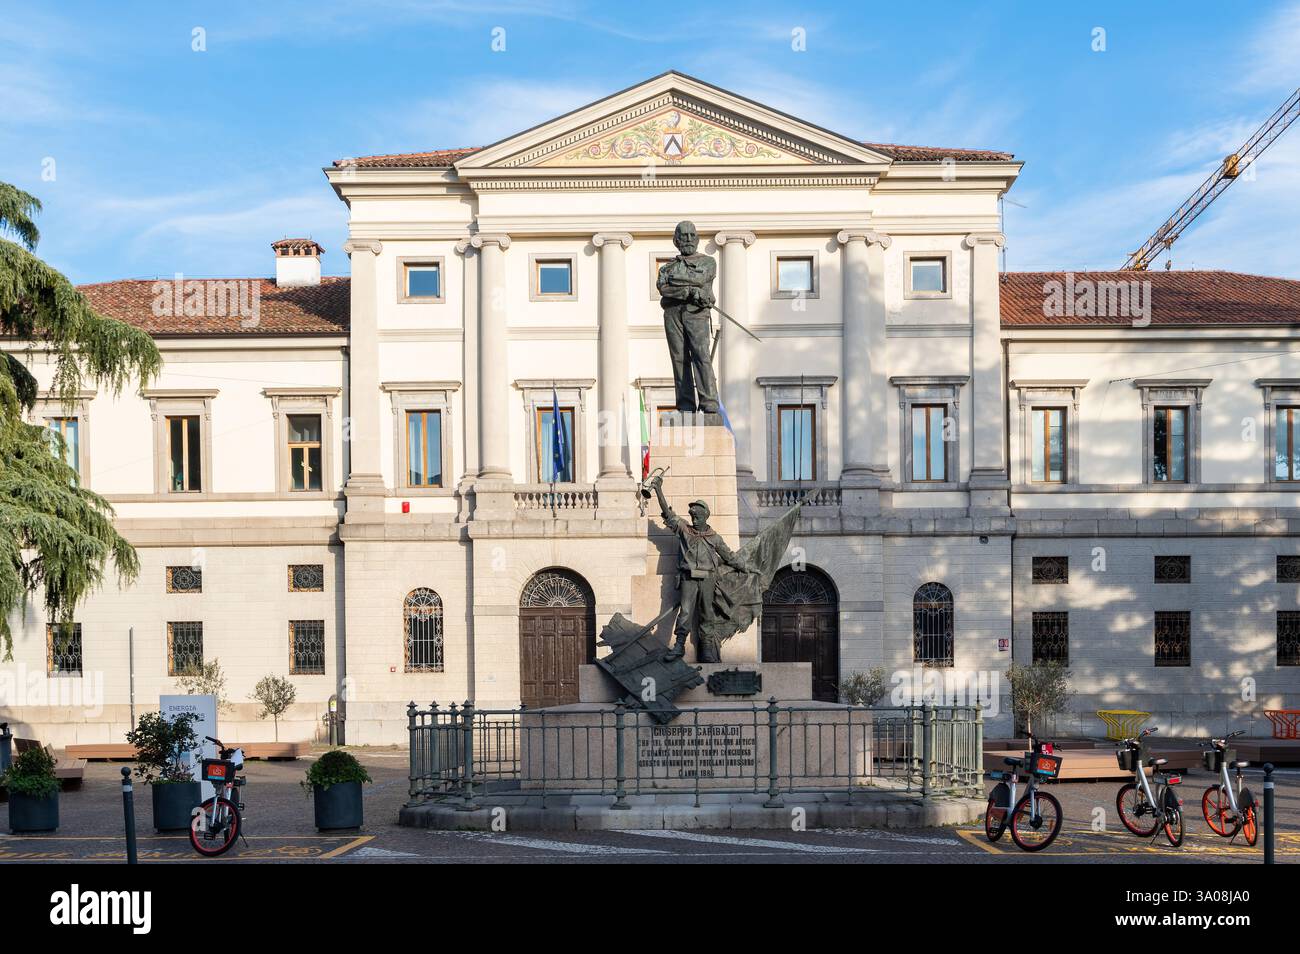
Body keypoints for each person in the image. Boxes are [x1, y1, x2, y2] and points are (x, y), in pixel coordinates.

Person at [650, 473, 748, 661]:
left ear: (705, 516)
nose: (694, 518)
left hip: (708, 579)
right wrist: (658, 490)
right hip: (689, 578)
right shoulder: (685, 530)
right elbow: (668, 514)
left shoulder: (715, 538)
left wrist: (744, 567)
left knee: (707, 615)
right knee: (685, 612)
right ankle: (679, 647)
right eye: (692, 516)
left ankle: (707, 651)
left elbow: (729, 556)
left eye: (697, 516)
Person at [657, 220, 719, 413]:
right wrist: (688, 291)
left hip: (697, 313)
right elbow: (663, 287)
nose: (688, 239)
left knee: (701, 356)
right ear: (676, 240)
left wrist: (677, 283)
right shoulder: (666, 268)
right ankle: (685, 405)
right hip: (672, 314)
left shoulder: (707, 262)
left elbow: (701, 279)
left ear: (698, 239)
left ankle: (709, 402)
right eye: (683, 236)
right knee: (679, 359)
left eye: (692, 235)